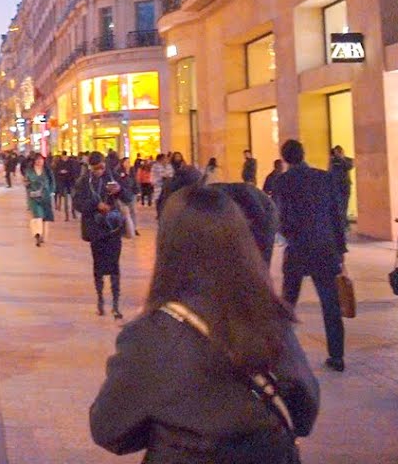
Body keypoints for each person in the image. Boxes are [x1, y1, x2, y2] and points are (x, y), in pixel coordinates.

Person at [90, 184, 319, 462]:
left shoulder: (151, 334)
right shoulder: (268, 316)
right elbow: (305, 411)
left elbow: (108, 428)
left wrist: (167, 428)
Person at [269, 139, 347, 372]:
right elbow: (337, 215)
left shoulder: (282, 181)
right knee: (330, 303)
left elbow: (279, 216)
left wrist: (288, 233)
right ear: (303, 154)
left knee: (289, 301)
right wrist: (341, 249)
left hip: (298, 247)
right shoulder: (324, 178)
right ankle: (337, 355)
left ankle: (280, 352)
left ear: (284, 158)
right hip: (325, 247)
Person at [74, 153, 134, 319]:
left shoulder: (113, 177)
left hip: (113, 227)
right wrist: (96, 205)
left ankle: (115, 304)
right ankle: (100, 299)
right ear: (90, 168)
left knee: (114, 265)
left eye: (101, 167)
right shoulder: (84, 182)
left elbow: (129, 196)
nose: (99, 171)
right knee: (99, 266)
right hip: (95, 228)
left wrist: (119, 190)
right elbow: (77, 204)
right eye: (96, 169)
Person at [24, 152, 54, 246]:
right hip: (34, 197)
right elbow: (26, 182)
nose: (39, 161)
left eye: (41, 160)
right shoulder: (29, 171)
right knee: (37, 216)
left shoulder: (47, 171)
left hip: (46, 196)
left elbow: (52, 181)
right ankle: (37, 234)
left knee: (45, 217)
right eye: (37, 160)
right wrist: (28, 186)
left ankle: (43, 235)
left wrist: (52, 191)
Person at [158, 152, 200, 217]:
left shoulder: (184, 166)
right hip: (175, 181)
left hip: (180, 182)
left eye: (179, 156)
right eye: (176, 157)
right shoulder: (170, 166)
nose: (178, 158)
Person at [329, 145, 354, 224]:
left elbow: (349, 166)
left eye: (338, 152)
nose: (337, 154)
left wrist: (341, 158)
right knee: (338, 204)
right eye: (336, 152)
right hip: (336, 186)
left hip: (345, 185)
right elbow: (330, 171)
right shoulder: (333, 161)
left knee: (345, 204)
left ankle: (344, 222)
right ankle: (340, 222)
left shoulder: (348, 160)